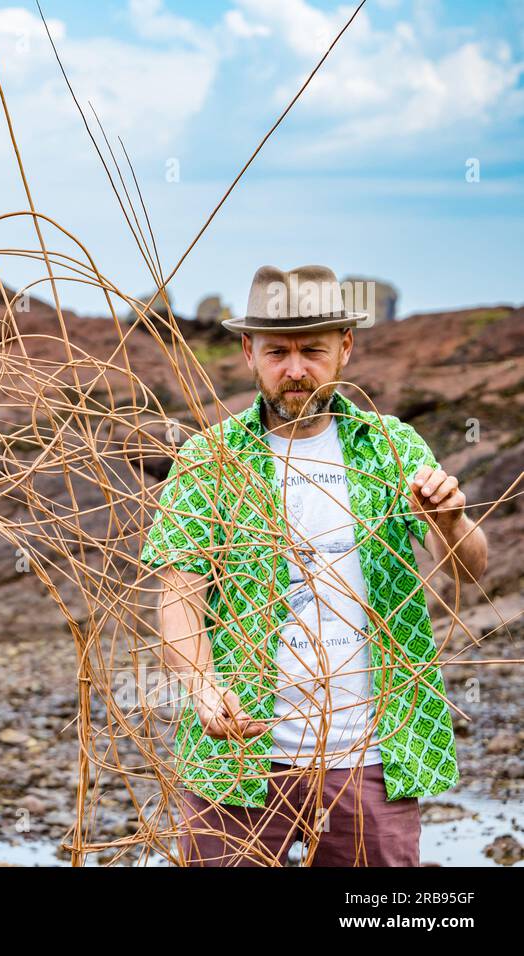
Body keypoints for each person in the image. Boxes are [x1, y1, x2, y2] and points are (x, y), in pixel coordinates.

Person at [140, 264, 488, 866]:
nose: (295, 370)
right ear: (248, 351)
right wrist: (200, 686)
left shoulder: (393, 446)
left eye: (312, 351)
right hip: (236, 765)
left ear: (345, 349)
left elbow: (468, 571)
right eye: (277, 351)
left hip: (372, 756)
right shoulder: (209, 458)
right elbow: (179, 594)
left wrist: (451, 520)